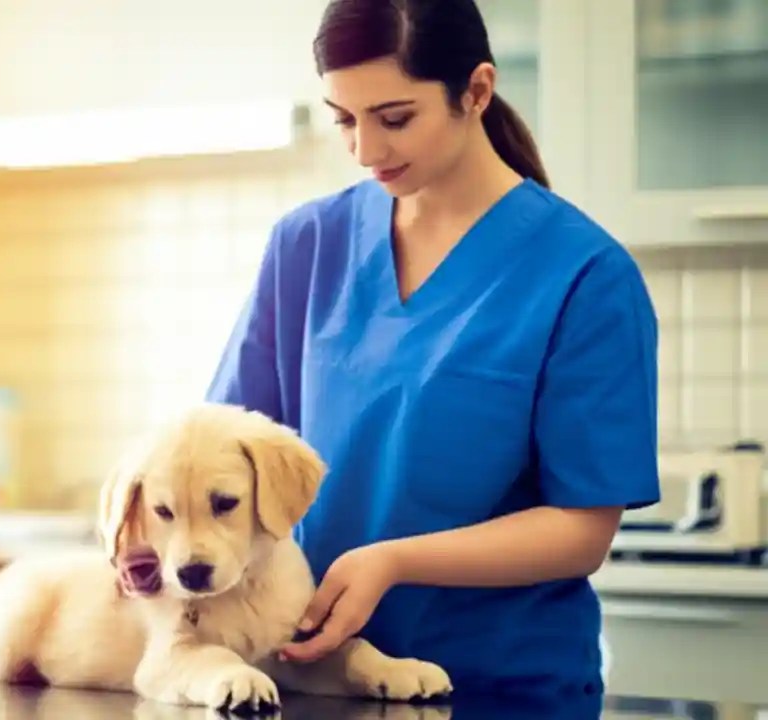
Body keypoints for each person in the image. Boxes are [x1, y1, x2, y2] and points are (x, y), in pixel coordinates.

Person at [204, 0, 660, 700]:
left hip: (500, 689)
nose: (365, 150)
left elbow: (581, 530)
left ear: (476, 91)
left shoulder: (585, 275)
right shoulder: (306, 246)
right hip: (311, 680)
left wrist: (395, 561)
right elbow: (220, 448)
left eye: (394, 118)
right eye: (344, 119)